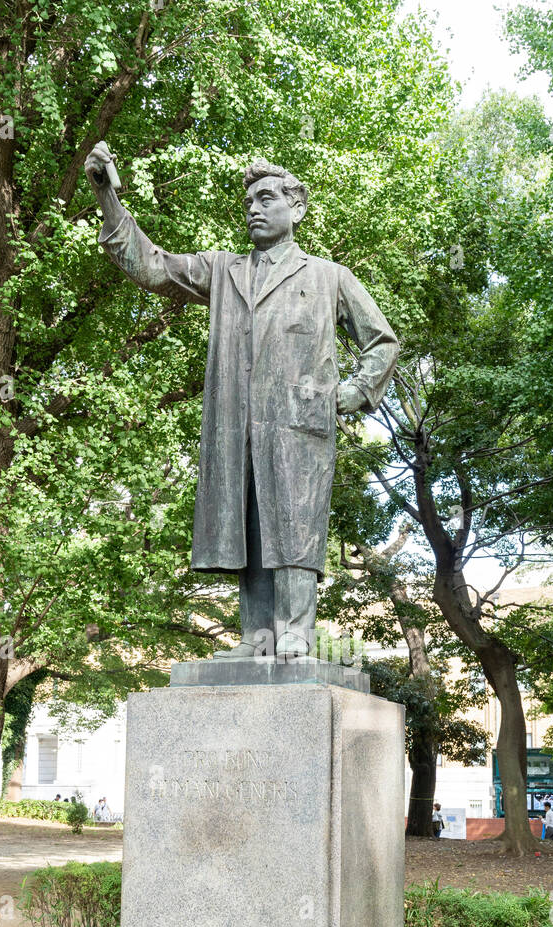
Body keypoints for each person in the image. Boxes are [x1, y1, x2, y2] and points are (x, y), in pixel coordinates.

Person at [85, 146, 399, 660]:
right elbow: (153, 267)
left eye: (266, 197)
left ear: (295, 208)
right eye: (249, 200)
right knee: (247, 526)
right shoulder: (223, 271)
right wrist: (107, 194)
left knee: (294, 527)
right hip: (236, 424)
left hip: (299, 427)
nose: (253, 207)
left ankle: (296, 630)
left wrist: (353, 392)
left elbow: (381, 341)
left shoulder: (329, 277)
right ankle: (257, 637)